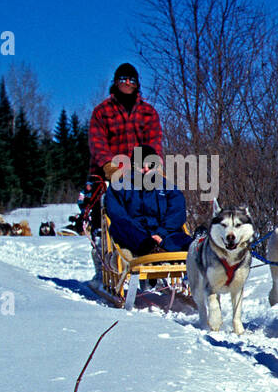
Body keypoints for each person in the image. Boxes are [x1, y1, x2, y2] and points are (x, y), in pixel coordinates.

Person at [78, 63, 164, 232]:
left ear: (137, 84)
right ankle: (100, 234)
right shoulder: (102, 111)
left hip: (139, 168)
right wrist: (109, 165)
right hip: (109, 170)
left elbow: (153, 141)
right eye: (122, 79)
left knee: (158, 193)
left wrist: (150, 163)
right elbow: (97, 142)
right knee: (103, 200)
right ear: (115, 82)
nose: (127, 83)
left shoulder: (148, 112)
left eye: (131, 80)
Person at [104, 144, 193, 256]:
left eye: (150, 166)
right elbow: (118, 214)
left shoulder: (168, 188)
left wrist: (160, 234)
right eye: (141, 166)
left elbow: (177, 213)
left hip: (165, 234)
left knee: (182, 238)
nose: (146, 170)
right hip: (136, 236)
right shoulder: (119, 188)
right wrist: (144, 235)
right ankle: (151, 248)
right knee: (118, 226)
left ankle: (194, 245)